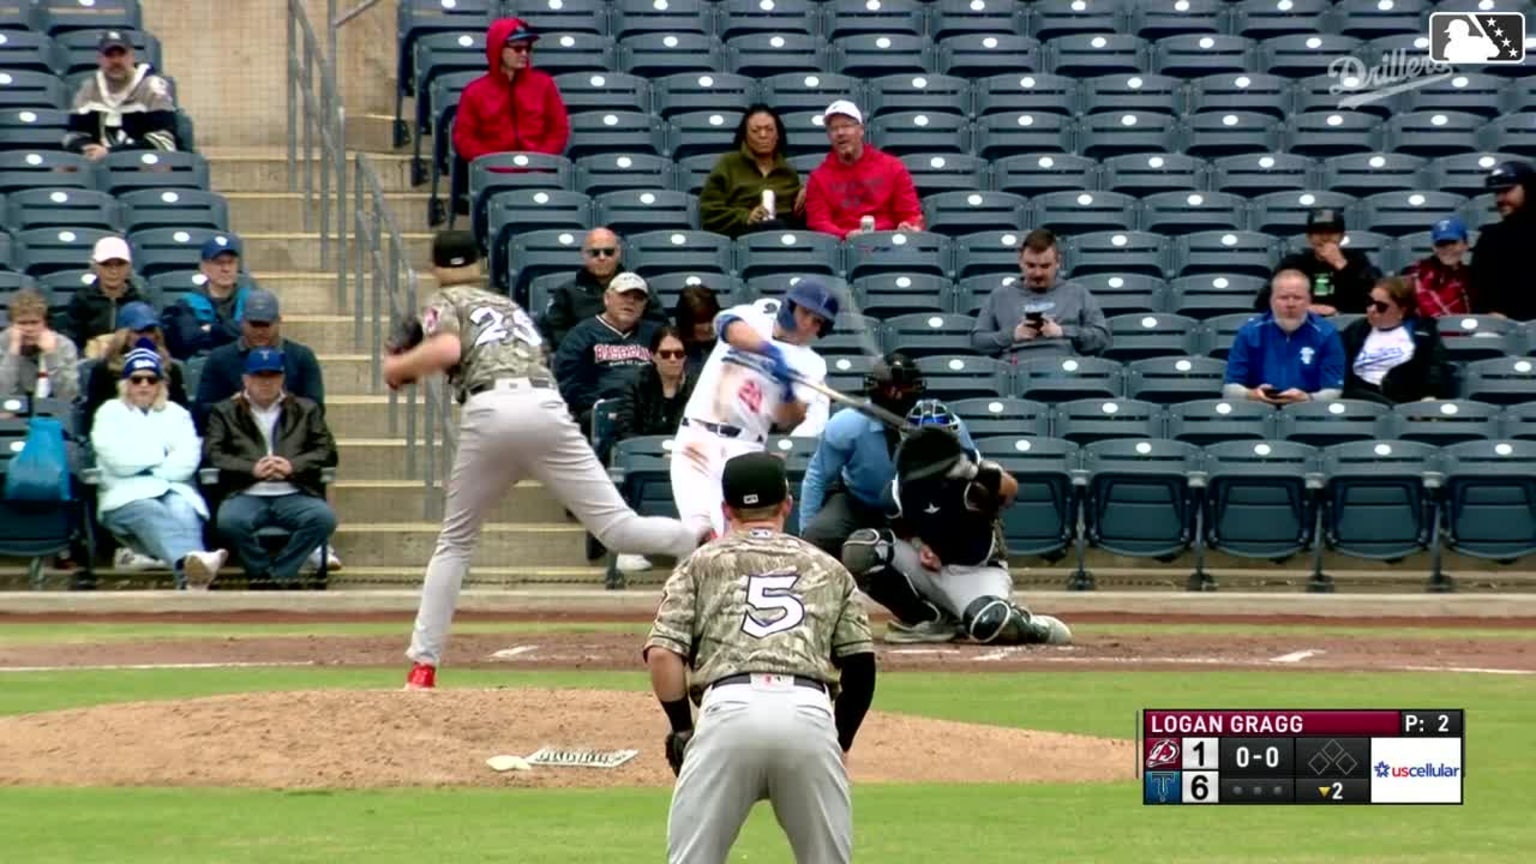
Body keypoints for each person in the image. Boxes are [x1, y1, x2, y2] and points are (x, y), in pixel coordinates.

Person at [387, 231, 701, 690]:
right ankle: (699, 537)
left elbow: (449, 350)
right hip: (545, 408)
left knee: (455, 542)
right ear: (478, 262)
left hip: (491, 409)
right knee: (618, 527)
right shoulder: (510, 308)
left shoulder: (443, 299)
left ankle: (424, 664)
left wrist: (397, 367)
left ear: (435, 267)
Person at [644, 451, 876, 864]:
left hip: (727, 713)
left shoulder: (699, 564)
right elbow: (860, 666)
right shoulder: (829, 568)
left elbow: (663, 655)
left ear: (725, 509)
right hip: (809, 714)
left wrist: (682, 729)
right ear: (788, 504)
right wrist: (839, 741)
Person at [841, 417, 1072, 646]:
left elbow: (1010, 492)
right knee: (860, 550)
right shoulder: (896, 491)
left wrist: (977, 472)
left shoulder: (975, 480)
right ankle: (929, 619)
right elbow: (903, 529)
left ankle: (1031, 625)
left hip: (976, 573)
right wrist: (920, 546)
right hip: (929, 568)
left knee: (991, 624)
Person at [670, 282, 835, 541]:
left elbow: (788, 419)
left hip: (746, 446)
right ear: (789, 307)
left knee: (744, 538)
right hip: (697, 439)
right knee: (702, 533)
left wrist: (788, 391)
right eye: (806, 314)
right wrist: (771, 352)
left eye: (818, 322)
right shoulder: (755, 316)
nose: (809, 325)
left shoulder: (812, 364)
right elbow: (727, 329)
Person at [90, 341, 226, 589]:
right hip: (123, 496)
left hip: (174, 488)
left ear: (160, 384)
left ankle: (192, 582)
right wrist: (161, 454)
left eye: (151, 380)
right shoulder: (108, 412)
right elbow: (117, 461)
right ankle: (194, 564)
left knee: (184, 510)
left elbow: (187, 462)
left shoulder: (177, 413)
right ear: (126, 383)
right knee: (151, 511)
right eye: (137, 379)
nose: (144, 385)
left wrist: (141, 460)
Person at [203, 347, 339, 588]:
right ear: (246, 379)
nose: (265, 382)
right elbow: (213, 454)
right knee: (229, 521)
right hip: (246, 491)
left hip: (293, 491)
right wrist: (251, 468)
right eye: (259, 376)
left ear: (282, 378)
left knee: (323, 518)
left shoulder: (306, 410)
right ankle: (260, 573)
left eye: (272, 375)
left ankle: (280, 575)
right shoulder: (224, 411)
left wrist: (292, 466)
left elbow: (326, 451)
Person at [800, 356, 958, 558]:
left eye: (902, 389)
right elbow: (817, 477)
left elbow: (971, 466)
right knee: (817, 537)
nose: (895, 395)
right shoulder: (847, 424)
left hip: (919, 505)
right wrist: (804, 533)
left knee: (953, 542)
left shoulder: (939, 422)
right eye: (888, 388)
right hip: (858, 500)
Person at [450, 18, 570, 214]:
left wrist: (539, 161)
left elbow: (559, 129)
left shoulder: (544, 85)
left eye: (528, 48)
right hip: (493, 175)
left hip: (539, 172)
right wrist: (493, 162)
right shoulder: (475, 92)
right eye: (517, 48)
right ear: (499, 50)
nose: (524, 53)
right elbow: (464, 138)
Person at [969, 228, 1111, 359]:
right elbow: (978, 342)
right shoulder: (1000, 295)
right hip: (1014, 372)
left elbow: (1102, 339)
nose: (1037, 273)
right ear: (1020, 262)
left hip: (1064, 373)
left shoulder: (1077, 293)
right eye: (1031, 265)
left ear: (1058, 262)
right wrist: (1012, 335)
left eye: (1045, 266)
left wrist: (1062, 331)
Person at [193, 289, 324, 429]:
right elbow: (201, 412)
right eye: (254, 324)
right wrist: (231, 406)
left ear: (278, 322)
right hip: (235, 436)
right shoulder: (220, 358)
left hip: (288, 435)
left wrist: (283, 403)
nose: (260, 331)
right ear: (242, 322)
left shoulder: (301, 357)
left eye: (266, 324)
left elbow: (316, 409)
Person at [553, 272, 661, 433]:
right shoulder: (583, 333)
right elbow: (568, 383)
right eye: (624, 295)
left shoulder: (655, 333)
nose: (631, 301)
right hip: (600, 410)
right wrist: (597, 403)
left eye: (638, 298)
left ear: (645, 304)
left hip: (647, 409)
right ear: (607, 298)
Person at [802, 100, 923, 238]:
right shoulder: (818, 178)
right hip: (842, 248)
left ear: (861, 130)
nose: (840, 132)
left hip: (887, 245)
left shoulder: (892, 167)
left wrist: (908, 226)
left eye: (846, 126)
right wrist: (847, 235)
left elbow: (911, 214)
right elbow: (819, 223)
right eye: (833, 129)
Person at [1224, 270, 1346, 404]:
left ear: (1309, 300)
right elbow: (1230, 388)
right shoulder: (1249, 331)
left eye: (1298, 298)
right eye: (1283, 297)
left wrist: (1308, 398)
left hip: (1308, 412)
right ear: (1271, 300)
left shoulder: (1326, 333)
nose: (1290, 304)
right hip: (1258, 409)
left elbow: (1334, 390)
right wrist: (1251, 394)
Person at [539, 227, 667, 347]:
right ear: (584, 254)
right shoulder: (567, 292)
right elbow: (555, 335)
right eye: (595, 253)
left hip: (634, 358)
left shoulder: (640, 289)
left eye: (608, 252)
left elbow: (659, 329)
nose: (602, 257)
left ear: (618, 253)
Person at [61, 30, 178, 159]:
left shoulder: (153, 87)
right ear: (100, 59)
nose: (116, 61)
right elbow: (72, 136)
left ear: (131, 56)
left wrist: (111, 153)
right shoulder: (88, 89)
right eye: (109, 55)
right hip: (99, 165)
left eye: (121, 54)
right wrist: (88, 149)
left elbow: (165, 141)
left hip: (143, 162)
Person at [83, 301, 190, 436]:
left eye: (150, 331)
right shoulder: (105, 370)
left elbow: (181, 413)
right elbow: (92, 417)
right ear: (124, 335)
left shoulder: (171, 369)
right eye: (139, 332)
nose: (145, 337)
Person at [1341, 276, 1453, 405]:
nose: (1372, 309)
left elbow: (1435, 370)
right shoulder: (1356, 330)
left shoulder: (1423, 334)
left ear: (1402, 310)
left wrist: (1430, 396)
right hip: (1358, 401)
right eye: (1369, 302)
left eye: (1381, 306)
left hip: (1404, 400)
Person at [698, 104, 803, 238]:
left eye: (769, 129)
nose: (763, 135)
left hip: (781, 237)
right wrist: (746, 216)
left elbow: (800, 215)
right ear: (745, 135)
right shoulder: (728, 164)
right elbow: (709, 211)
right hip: (739, 237)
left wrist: (809, 191)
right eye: (755, 130)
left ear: (778, 135)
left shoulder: (788, 172)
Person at [1258, 208, 1380, 316]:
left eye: (1332, 233)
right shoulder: (1293, 263)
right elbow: (1263, 302)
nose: (1325, 238)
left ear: (1342, 236)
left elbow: (1375, 300)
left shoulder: (1357, 261)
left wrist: (1341, 264)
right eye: (1318, 232)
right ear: (1309, 237)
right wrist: (1304, 308)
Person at [162, 234, 251, 360]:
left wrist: (210, 329)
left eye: (231, 262)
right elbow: (190, 339)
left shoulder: (251, 299)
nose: (226, 269)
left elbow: (254, 335)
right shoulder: (186, 303)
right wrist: (231, 329)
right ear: (203, 267)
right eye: (219, 263)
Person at [1469, 160, 1536, 321]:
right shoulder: (1490, 238)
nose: (1499, 199)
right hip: (1499, 330)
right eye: (1496, 193)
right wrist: (1489, 315)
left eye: (1506, 190)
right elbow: (1478, 291)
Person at [65, 235, 153, 356]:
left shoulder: (139, 300)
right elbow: (71, 340)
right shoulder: (81, 299)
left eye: (120, 264)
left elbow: (148, 339)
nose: (113, 271)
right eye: (106, 264)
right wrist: (87, 350)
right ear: (94, 267)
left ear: (129, 267)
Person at [615, 326, 696, 442]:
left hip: (685, 453)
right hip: (643, 452)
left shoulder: (698, 386)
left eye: (678, 354)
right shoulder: (636, 384)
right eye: (665, 354)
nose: (673, 359)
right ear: (652, 356)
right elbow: (625, 428)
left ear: (685, 357)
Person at [0, 289, 80, 402]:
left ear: (44, 322)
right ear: (11, 324)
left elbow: (68, 395)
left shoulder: (63, 345)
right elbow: (1, 392)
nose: (29, 329)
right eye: (22, 323)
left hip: (53, 411)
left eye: (34, 322)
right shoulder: (2, 343)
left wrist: (51, 355)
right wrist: (13, 350)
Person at [1401, 217, 1472, 319]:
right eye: (1441, 244)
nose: (1448, 248)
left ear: (1465, 245)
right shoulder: (1418, 275)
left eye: (1453, 242)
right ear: (1434, 248)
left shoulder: (1473, 275)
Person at [672, 285, 722, 375]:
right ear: (686, 324)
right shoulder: (673, 353)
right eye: (701, 322)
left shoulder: (728, 347)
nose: (707, 327)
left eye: (710, 319)